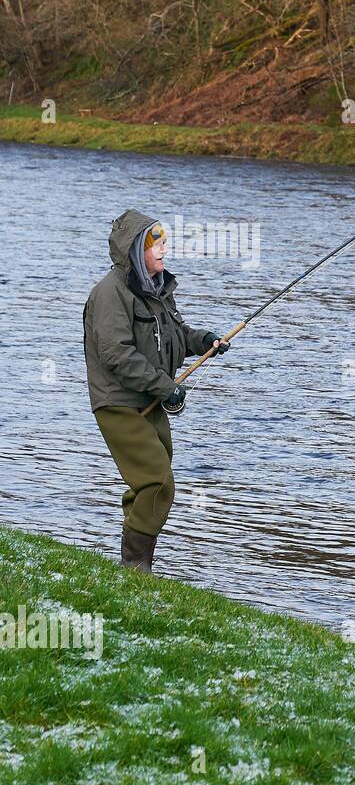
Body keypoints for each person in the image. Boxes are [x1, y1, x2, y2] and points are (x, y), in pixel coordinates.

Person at [83, 210, 230, 573]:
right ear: (135, 249)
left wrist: (205, 341)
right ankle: (136, 568)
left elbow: (175, 336)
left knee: (154, 481)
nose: (165, 249)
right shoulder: (109, 293)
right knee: (156, 481)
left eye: (164, 241)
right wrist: (166, 388)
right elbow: (116, 354)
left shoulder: (157, 290)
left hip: (149, 402)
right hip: (118, 403)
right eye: (157, 243)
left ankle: (134, 567)